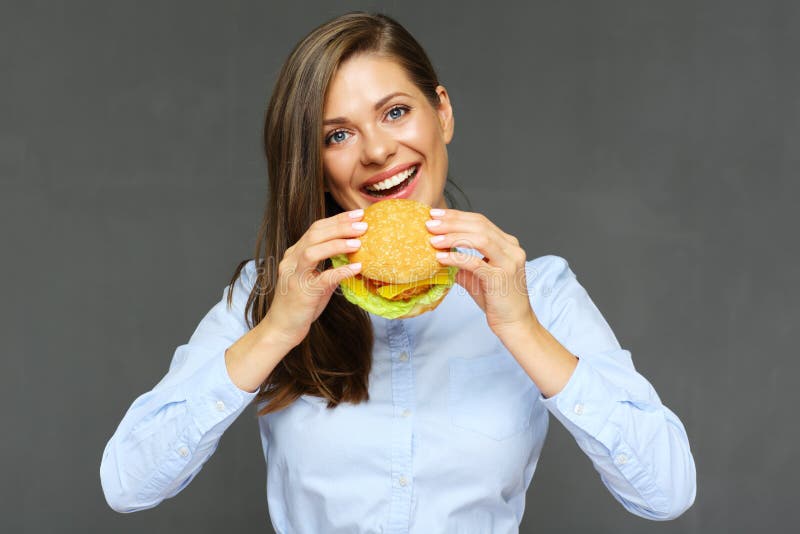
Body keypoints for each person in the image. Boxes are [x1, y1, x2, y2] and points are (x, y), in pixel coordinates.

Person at [100, 11, 696, 533]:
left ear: (442, 114)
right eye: (338, 134)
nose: (377, 151)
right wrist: (277, 330)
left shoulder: (540, 291)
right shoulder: (271, 293)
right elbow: (128, 485)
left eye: (395, 112)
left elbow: (666, 493)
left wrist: (520, 327)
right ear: (315, 164)